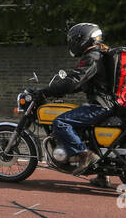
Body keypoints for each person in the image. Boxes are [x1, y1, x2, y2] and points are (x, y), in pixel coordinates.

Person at [43, 22, 115, 183]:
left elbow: (73, 81)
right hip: (108, 103)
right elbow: (83, 83)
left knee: (61, 122)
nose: (71, 43)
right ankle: (102, 175)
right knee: (87, 132)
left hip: (100, 105)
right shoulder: (101, 54)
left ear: (82, 40)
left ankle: (84, 155)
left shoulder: (92, 57)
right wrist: (61, 90)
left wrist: (45, 91)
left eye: (73, 40)